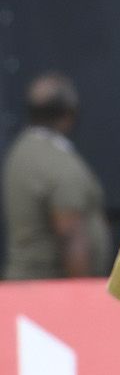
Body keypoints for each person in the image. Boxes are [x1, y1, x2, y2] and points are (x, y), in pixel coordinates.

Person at [2, 73, 111, 280]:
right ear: (68, 114)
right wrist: (82, 297)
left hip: (25, 289)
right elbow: (70, 236)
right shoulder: (59, 164)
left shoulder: (21, 151)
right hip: (50, 291)